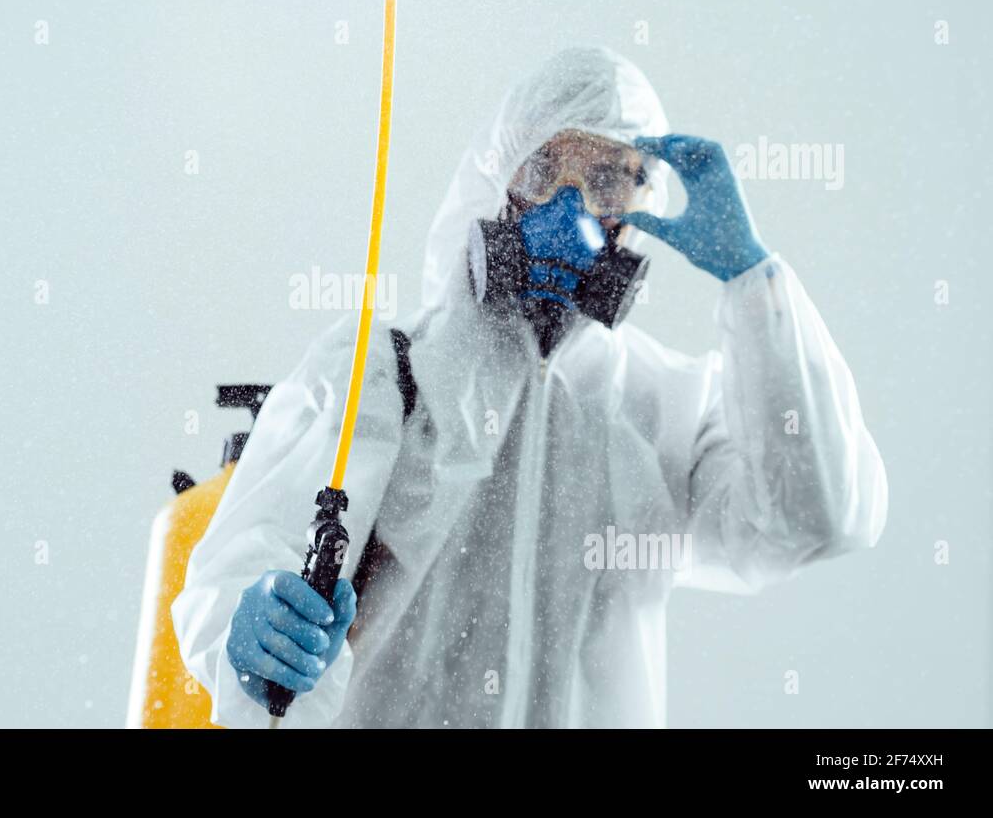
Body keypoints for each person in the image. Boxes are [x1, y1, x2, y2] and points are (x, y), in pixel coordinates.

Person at [171, 46, 888, 728]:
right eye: (545, 169)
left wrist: (754, 285)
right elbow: (245, 558)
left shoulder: (667, 409)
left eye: (609, 178)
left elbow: (817, 517)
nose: (570, 208)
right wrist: (252, 626)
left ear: (645, 205)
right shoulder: (381, 376)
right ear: (496, 180)